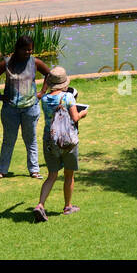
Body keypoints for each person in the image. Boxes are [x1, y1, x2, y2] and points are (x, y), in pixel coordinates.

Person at [0, 35, 52, 180]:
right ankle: (2, 171)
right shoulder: (7, 63)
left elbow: (49, 74)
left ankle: (34, 170)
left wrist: (42, 92)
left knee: (31, 139)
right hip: (10, 109)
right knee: (8, 140)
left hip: (30, 107)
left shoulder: (35, 62)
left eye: (30, 50)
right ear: (17, 49)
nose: (28, 52)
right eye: (25, 50)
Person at [33, 66, 88, 222]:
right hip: (68, 141)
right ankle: (68, 206)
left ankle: (40, 205)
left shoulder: (44, 99)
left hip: (50, 141)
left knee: (51, 175)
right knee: (69, 175)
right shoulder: (68, 98)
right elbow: (75, 118)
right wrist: (83, 113)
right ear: (64, 83)